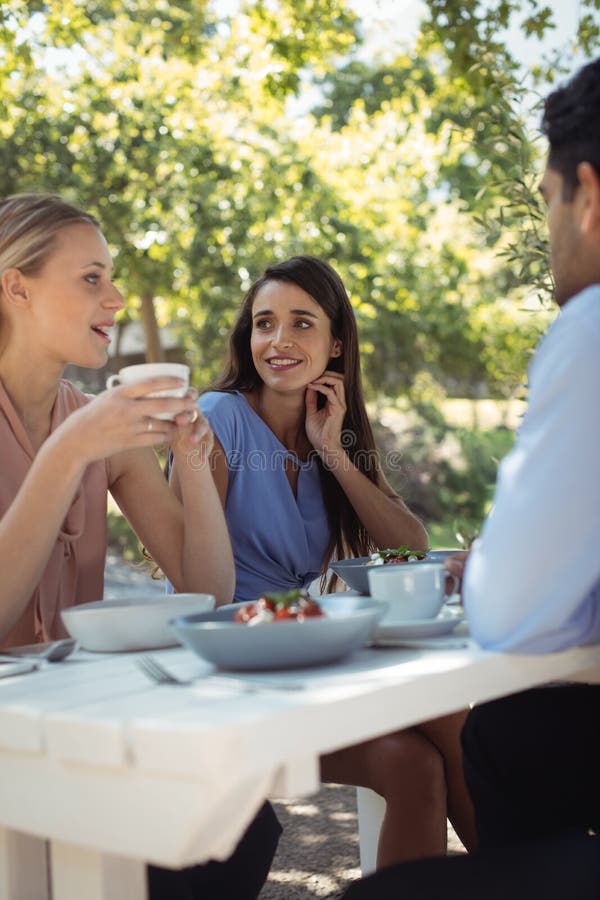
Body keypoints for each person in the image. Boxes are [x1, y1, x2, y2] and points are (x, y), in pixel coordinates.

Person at [340, 57, 600, 899]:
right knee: (509, 733)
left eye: (547, 202)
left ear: (587, 196)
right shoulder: (231, 423)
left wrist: (495, 569)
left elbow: (511, 615)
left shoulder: (591, 327)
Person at [0, 192, 280, 899]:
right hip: (17, 745)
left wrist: (191, 461)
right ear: (16, 285)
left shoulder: (94, 425)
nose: (117, 297)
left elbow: (208, 593)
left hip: (71, 718)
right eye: (91, 278)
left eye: (112, 277)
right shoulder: (85, 434)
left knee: (243, 822)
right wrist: (67, 454)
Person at [170, 254, 478, 867]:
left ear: (337, 345)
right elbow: (200, 588)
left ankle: (519, 875)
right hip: (236, 659)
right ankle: (529, 876)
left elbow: (409, 544)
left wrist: (332, 452)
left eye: (301, 323)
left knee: (417, 760)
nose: (278, 340)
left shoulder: (327, 429)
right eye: (264, 323)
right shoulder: (218, 418)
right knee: (443, 715)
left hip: (303, 643)